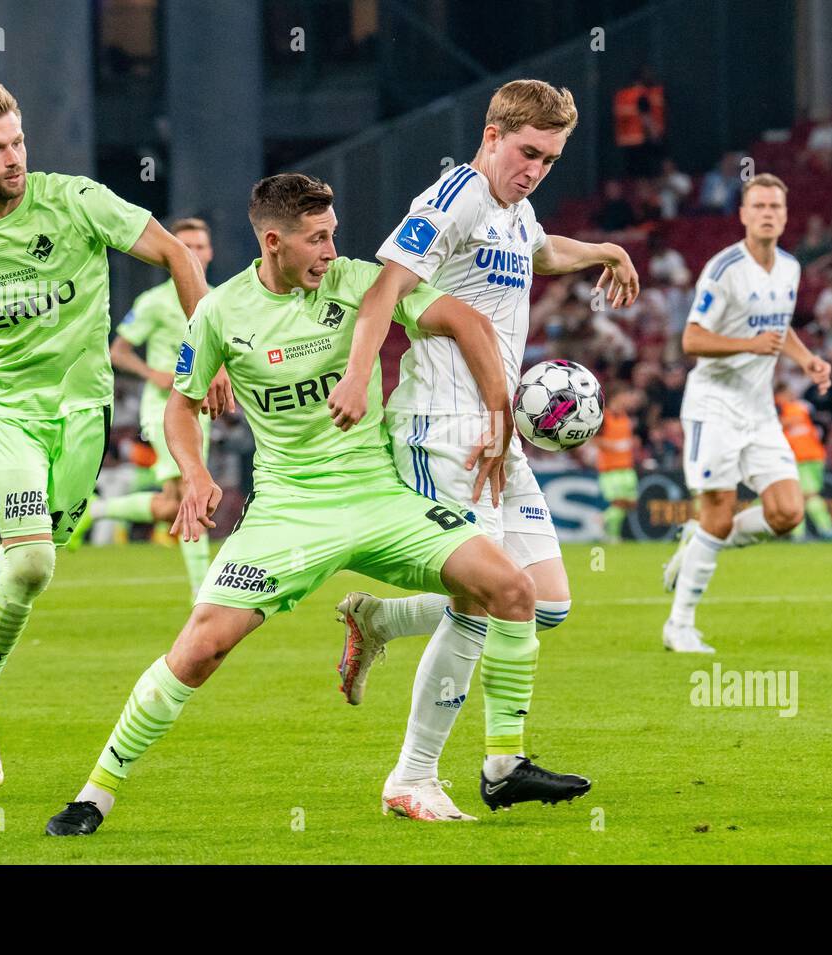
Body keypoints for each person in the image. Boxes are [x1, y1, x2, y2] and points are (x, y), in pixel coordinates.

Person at [45, 173, 586, 835]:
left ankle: (503, 764)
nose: (331, 250)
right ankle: (95, 794)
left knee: (513, 589)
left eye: (333, 235)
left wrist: (500, 418)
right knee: (202, 647)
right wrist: (194, 472)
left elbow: (466, 320)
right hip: (289, 510)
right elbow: (180, 408)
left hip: (381, 498)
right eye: (317, 239)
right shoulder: (221, 311)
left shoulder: (359, 283)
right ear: (273, 242)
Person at [324, 79, 639, 818]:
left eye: (550, 160)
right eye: (527, 152)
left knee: (545, 603)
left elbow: (541, 251)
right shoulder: (455, 196)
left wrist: (604, 249)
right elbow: (385, 289)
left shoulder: (514, 209)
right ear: (492, 134)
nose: (535, 170)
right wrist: (359, 374)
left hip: (499, 428)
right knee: (481, 602)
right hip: (443, 426)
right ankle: (424, 777)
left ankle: (380, 620)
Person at [0, 80, 224, 796]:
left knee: (26, 571)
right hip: (9, 411)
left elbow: (179, 257)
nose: (14, 157)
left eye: (18, 141)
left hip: (86, 415)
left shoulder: (78, 200)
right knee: (29, 564)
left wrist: (207, 357)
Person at [662, 174, 832, 652]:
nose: (767, 214)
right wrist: (748, 345)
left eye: (775, 207)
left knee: (788, 512)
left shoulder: (790, 269)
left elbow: (779, 328)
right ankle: (679, 626)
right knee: (719, 515)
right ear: (743, 214)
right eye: (758, 206)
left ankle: (697, 541)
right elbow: (691, 339)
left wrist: (807, 360)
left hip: (759, 412)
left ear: (785, 214)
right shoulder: (723, 269)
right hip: (714, 406)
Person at [69, 217, 217, 600]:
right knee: (192, 491)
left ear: (210, 252)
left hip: (201, 411)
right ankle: (202, 592)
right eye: (185, 246)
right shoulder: (153, 302)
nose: (193, 253)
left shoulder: (220, 300)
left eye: (200, 246)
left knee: (173, 505)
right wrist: (153, 373)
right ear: (170, 253)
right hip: (163, 409)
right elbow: (118, 351)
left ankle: (95, 511)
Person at [775, 382, 832, 540]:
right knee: (800, 495)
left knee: (807, 495)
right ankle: (810, 531)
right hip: (797, 457)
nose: (790, 395)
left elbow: (787, 422)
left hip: (806, 457)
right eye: (786, 393)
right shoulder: (782, 408)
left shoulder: (797, 407)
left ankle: (822, 530)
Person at [596, 384, 642, 543]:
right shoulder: (604, 417)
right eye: (625, 396)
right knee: (618, 502)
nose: (628, 399)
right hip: (610, 468)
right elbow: (595, 440)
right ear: (616, 397)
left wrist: (632, 442)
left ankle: (604, 519)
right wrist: (614, 446)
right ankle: (613, 536)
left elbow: (626, 439)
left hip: (627, 466)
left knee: (631, 503)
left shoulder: (625, 417)